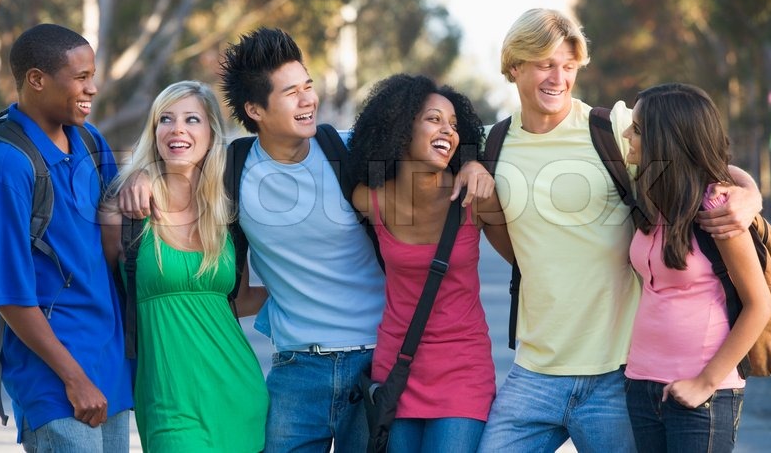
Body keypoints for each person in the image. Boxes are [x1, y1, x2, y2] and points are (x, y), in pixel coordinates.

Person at [116, 27, 495, 451]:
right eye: (291, 92)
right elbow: (182, 155)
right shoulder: (233, 169)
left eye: (308, 87)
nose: (308, 100)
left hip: (373, 363)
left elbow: (426, 150)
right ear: (255, 109)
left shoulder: (349, 153)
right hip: (296, 369)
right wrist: (141, 176)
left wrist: (474, 163)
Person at [477, 8, 763, 452]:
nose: (559, 78)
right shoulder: (490, 145)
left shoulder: (609, 128)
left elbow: (690, 152)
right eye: (545, 64)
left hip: (619, 372)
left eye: (569, 66)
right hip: (534, 370)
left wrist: (748, 192)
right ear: (514, 66)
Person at [0, 23, 132, 451]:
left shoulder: (87, 138)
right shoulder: (8, 166)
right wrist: (74, 378)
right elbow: (7, 293)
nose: (93, 88)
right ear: (36, 79)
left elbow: (115, 232)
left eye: (92, 75)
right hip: (58, 384)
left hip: (108, 367)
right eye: (81, 77)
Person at [348, 73, 514, 451]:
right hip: (397, 370)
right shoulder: (369, 199)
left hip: (462, 370)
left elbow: (524, 260)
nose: (448, 130)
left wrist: (477, 165)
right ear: (400, 128)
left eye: (454, 125)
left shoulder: (475, 200)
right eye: (434, 119)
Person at [101, 80, 269, 451]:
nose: (178, 129)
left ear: (211, 133)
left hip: (239, 394)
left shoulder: (226, 214)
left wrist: (299, 287)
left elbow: (236, 301)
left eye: (192, 119)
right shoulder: (124, 213)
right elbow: (98, 298)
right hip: (167, 400)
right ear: (154, 132)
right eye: (166, 119)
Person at [621, 83, 771, 453]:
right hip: (641, 384)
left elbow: (759, 304)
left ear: (665, 140)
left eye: (637, 129)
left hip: (704, 392)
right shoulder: (651, 196)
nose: (627, 134)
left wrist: (705, 382)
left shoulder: (716, 208)